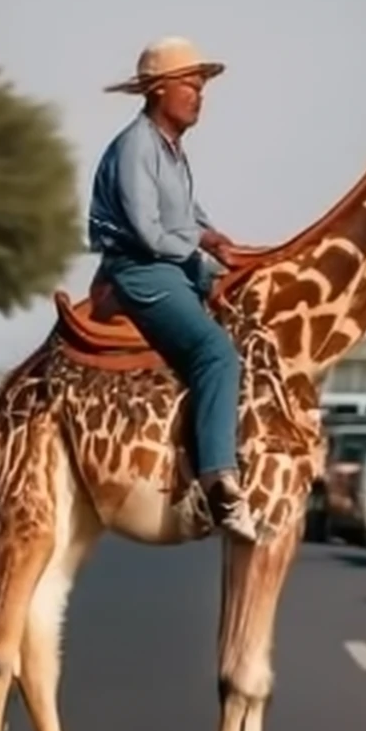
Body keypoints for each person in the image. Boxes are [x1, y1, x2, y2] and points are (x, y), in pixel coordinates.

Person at [88, 36, 262, 543]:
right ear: (159, 90)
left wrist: (217, 242)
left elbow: (187, 214)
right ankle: (219, 483)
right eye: (190, 83)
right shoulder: (137, 146)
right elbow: (148, 231)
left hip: (174, 259)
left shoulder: (172, 149)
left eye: (201, 84)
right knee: (215, 352)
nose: (199, 93)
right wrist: (205, 248)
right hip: (142, 268)